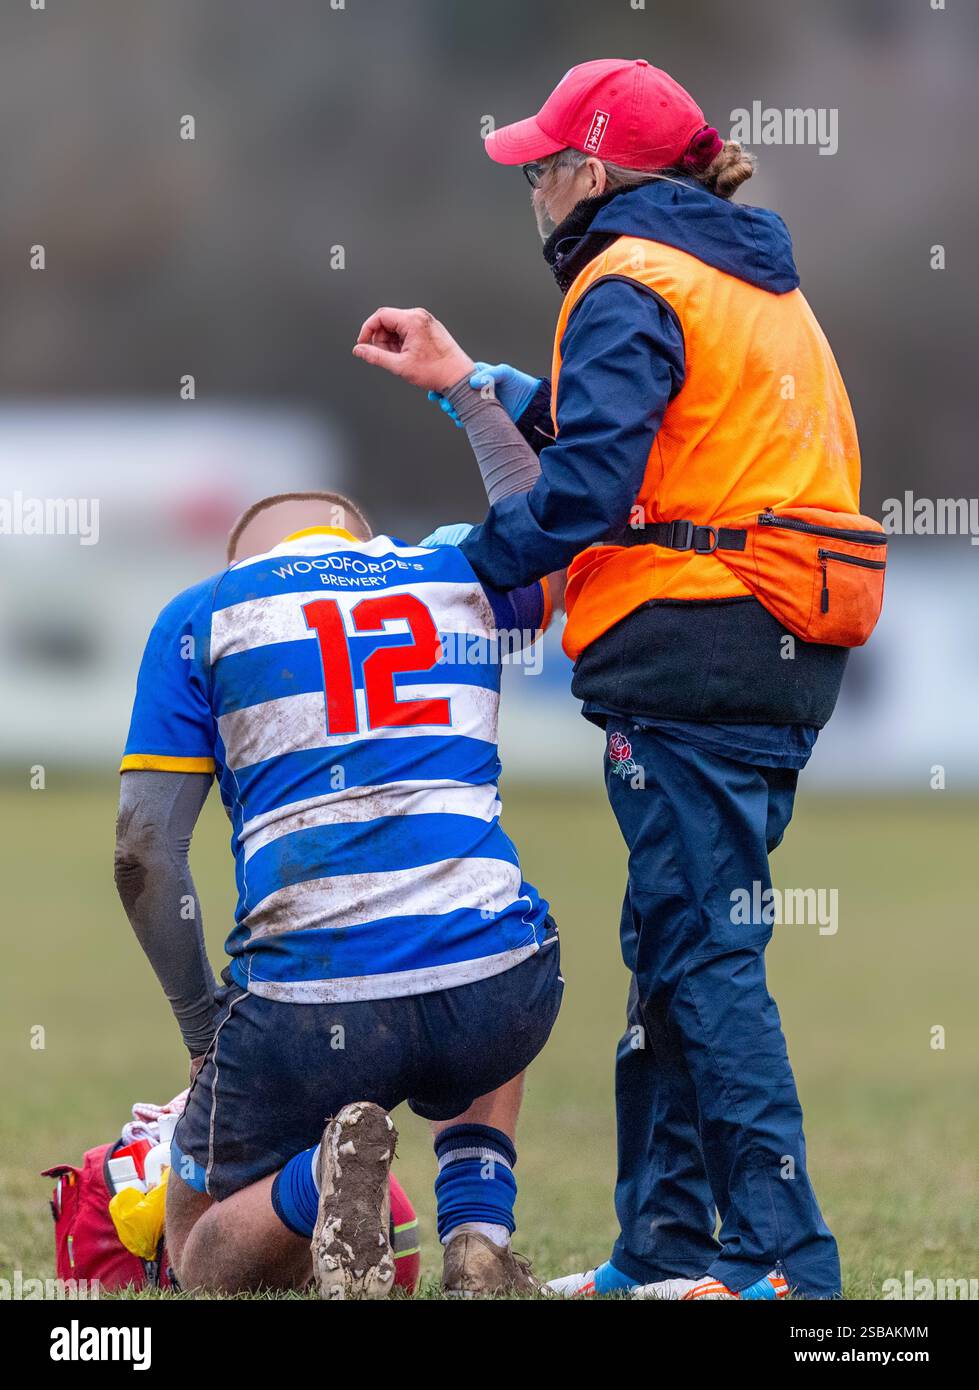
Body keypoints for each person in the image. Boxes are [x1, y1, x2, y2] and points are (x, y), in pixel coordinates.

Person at [353, 57, 886, 1300]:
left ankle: (784, 1265)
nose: (530, 185)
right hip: (777, 643)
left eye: (542, 164)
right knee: (673, 949)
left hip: (692, 646)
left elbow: (590, 490)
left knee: (703, 959)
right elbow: (640, 437)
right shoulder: (741, 273)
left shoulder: (622, 278)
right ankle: (666, 1251)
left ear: (590, 173)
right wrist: (470, 382)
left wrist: (460, 578)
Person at [113, 488, 564, 1298]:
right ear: (365, 541)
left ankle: (318, 1178)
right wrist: (467, 394)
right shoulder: (454, 568)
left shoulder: (206, 612)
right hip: (498, 993)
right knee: (492, 924)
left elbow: (144, 854)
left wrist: (201, 1029)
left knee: (196, 1249)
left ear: (244, 559)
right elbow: (555, 524)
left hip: (306, 1005)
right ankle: (476, 1232)